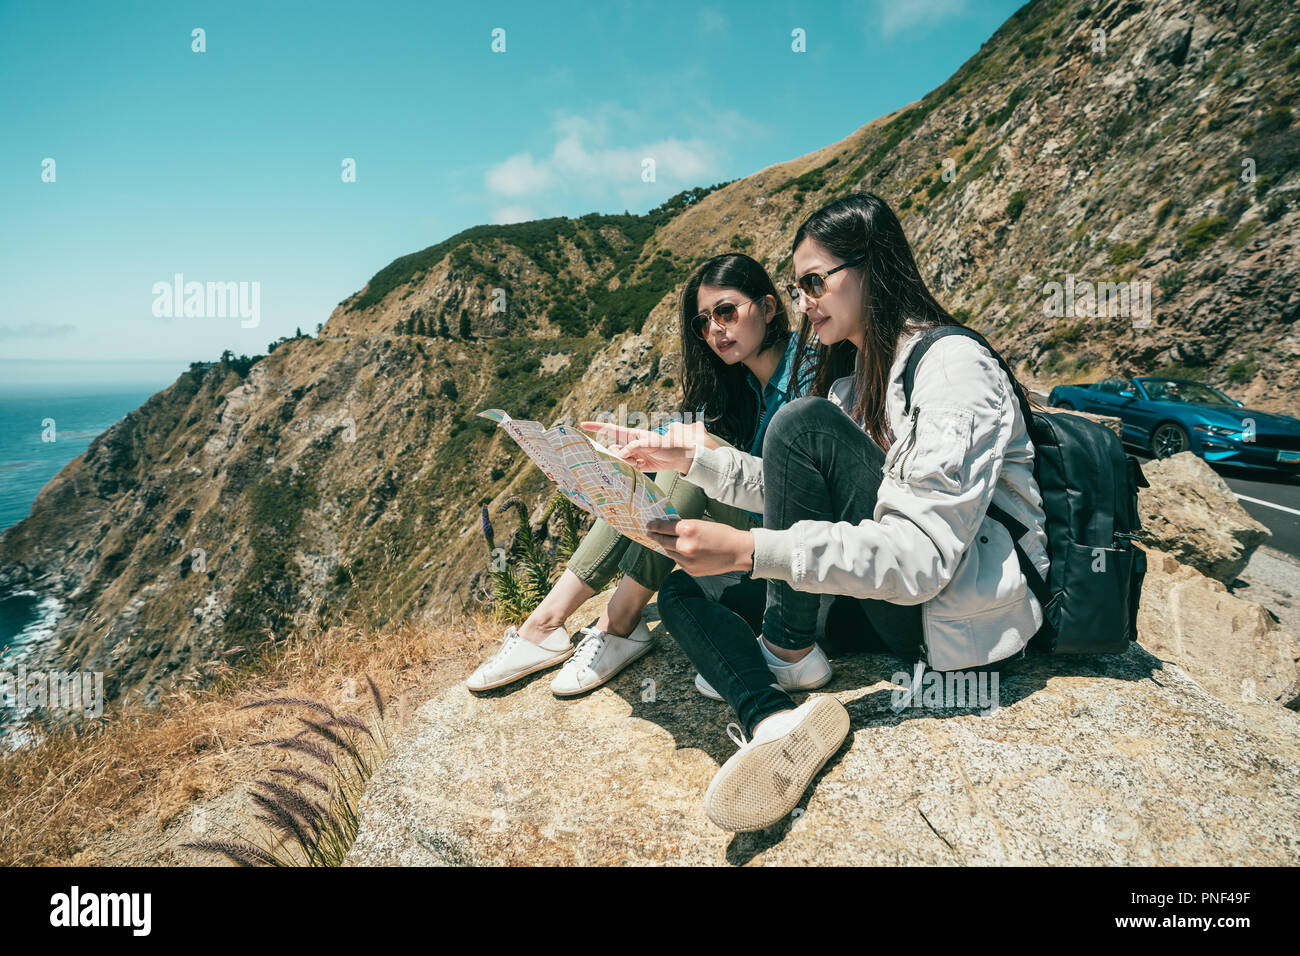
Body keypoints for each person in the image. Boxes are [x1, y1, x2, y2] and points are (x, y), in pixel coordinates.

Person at [603, 193, 1049, 832]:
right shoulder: (856, 375)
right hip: (876, 602)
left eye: (815, 282)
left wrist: (752, 552)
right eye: (798, 285)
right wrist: (688, 461)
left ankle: (787, 646)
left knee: (797, 425)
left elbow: (920, 560)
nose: (804, 301)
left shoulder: (952, 366)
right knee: (681, 595)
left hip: (942, 614)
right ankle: (771, 721)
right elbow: (790, 486)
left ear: (872, 269)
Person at [466, 253, 816, 696]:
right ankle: (545, 622)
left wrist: (690, 450)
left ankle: (618, 623)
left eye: (726, 312)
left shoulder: (811, 376)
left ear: (768, 308)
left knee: (685, 462)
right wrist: (628, 455)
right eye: (702, 322)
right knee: (654, 463)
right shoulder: (744, 386)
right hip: (750, 524)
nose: (714, 330)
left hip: (789, 544)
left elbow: (804, 487)